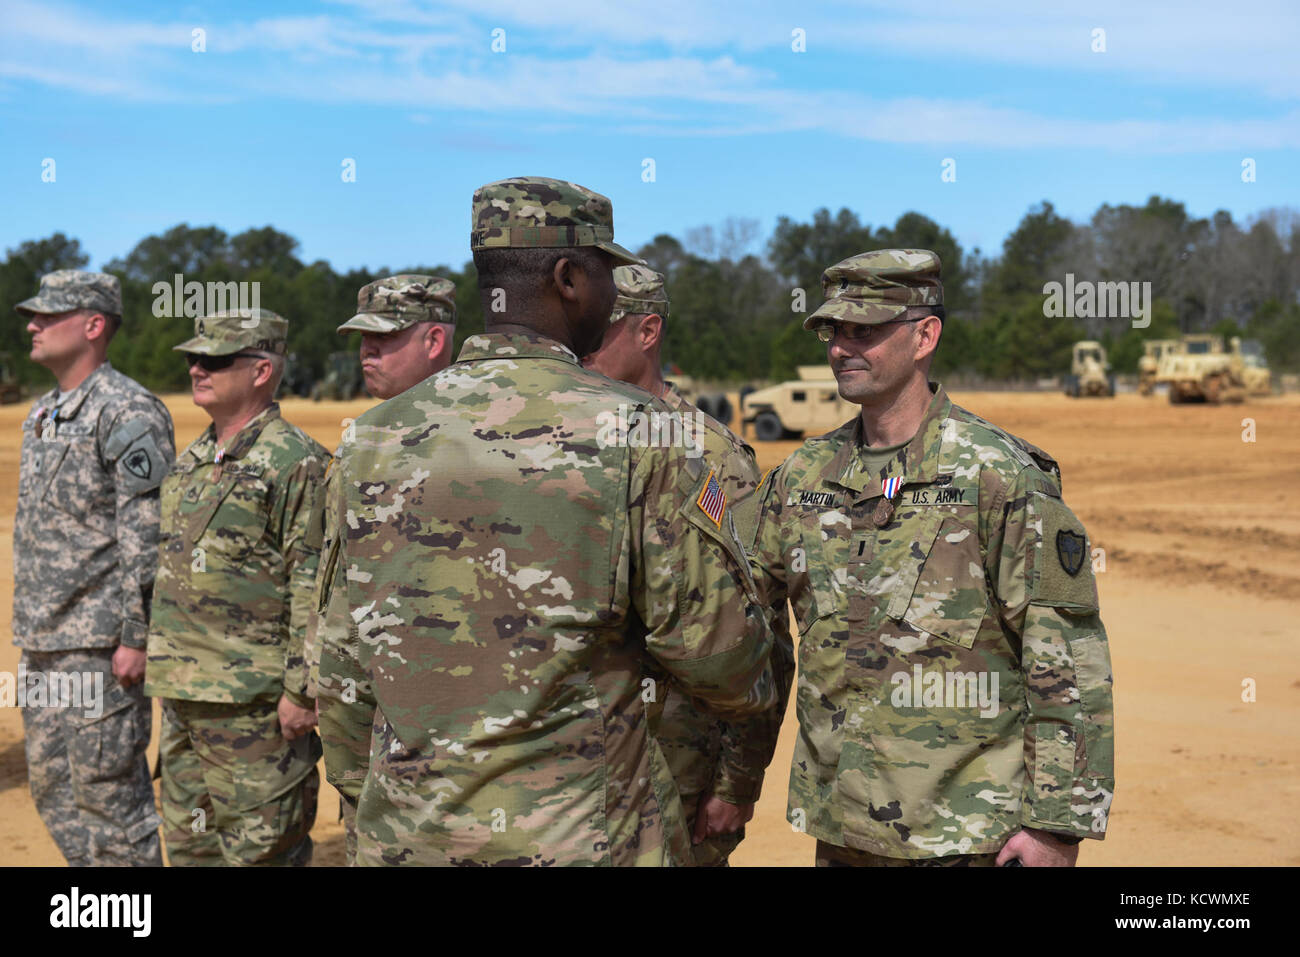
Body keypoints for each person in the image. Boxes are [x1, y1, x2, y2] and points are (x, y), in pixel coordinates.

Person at [321, 176, 776, 866]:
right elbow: (720, 655)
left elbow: (338, 664)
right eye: (604, 273)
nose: (610, 292)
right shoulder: (639, 433)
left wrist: (379, 798)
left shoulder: (369, 440)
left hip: (410, 838)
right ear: (569, 278)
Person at [750, 249, 1115, 867]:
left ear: (925, 336)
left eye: (864, 330)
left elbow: (1067, 662)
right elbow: (752, 637)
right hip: (841, 831)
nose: (842, 347)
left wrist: (1057, 827)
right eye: (833, 331)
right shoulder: (800, 477)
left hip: (970, 836)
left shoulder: (999, 476)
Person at [583, 263, 792, 866]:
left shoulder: (714, 456)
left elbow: (765, 633)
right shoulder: (572, 443)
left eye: (600, 335)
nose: (582, 351)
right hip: (577, 767)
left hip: (679, 768)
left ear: (648, 331)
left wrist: (736, 784)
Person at [146, 308, 328, 866]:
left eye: (216, 359)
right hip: (184, 696)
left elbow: (314, 582)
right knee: (191, 850)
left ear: (261, 370)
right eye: (195, 358)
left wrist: (302, 690)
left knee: (262, 854)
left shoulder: (296, 462)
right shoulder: (192, 460)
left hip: (255, 708)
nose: (198, 368)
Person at [13, 270, 174, 866]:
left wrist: (137, 637)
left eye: (47, 316)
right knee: (56, 796)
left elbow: (149, 537)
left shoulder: (128, 410)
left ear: (93, 325)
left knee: (114, 808)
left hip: (100, 650)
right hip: (44, 645)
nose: (32, 325)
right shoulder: (43, 414)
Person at [311, 274, 458, 863]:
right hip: (376, 741)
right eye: (362, 340)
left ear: (434, 340)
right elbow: (336, 598)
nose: (367, 352)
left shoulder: (474, 437)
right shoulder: (365, 443)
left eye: (385, 337)